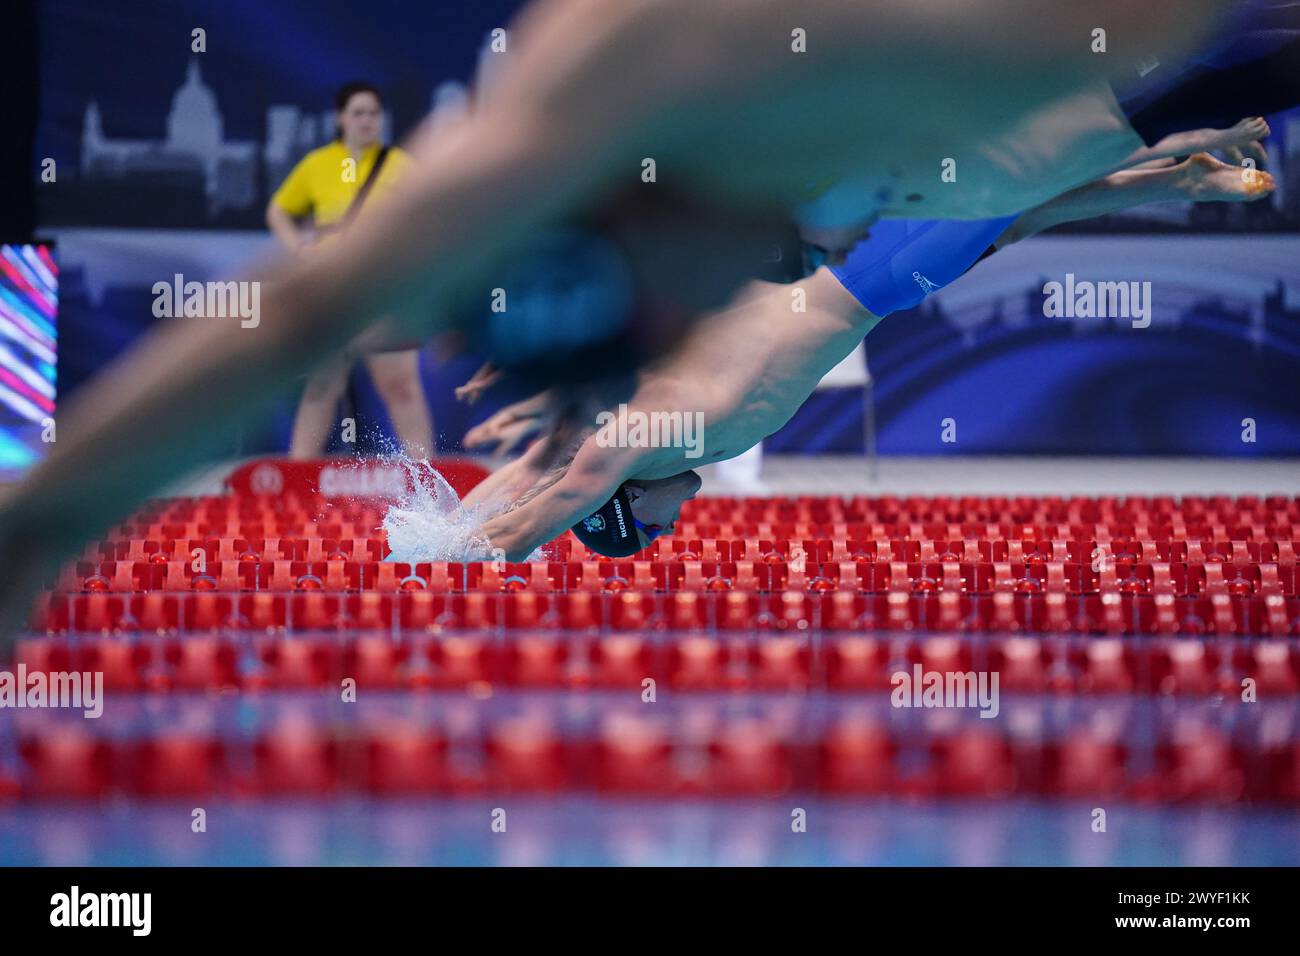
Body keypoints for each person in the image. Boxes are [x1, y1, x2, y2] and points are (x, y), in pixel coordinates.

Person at [0, 0, 1230, 640]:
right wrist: (1157, 177)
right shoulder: (824, 181)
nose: (693, 321)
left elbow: (309, 319)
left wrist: (460, 550)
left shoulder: (638, 87)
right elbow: (307, 315)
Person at [461, 147, 1275, 560]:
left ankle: (1179, 146)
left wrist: (468, 552)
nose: (675, 527)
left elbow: (552, 498)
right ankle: (1181, 173)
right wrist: (465, 521)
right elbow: (540, 471)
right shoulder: (667, 432)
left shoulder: (648, 437)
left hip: (867, 281)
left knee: (1022, 185)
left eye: (656, 530)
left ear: (628, 505)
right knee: (1018, 212)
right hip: (870, 284)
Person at [266, 81, 435, 459]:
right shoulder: (318, 164)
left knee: (401, 385)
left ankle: (428, 476)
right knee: (322, 384)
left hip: (386, 285)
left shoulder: (401, 165)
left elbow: (427, 211)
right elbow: (278, 211)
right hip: (333, 286)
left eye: (373, 113)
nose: (366, 120)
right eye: (358, 113)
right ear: (342, 118)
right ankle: (297, 474)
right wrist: (300, 249)